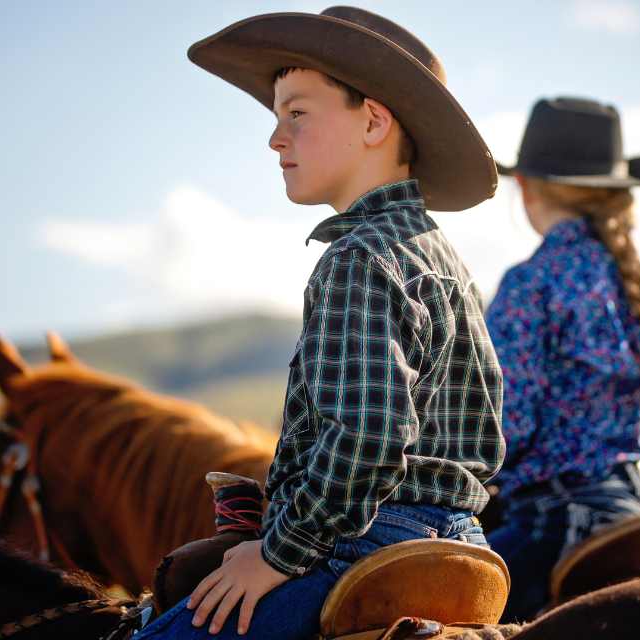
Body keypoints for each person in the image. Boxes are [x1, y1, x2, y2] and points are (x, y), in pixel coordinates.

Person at [132, 7, 505, 639]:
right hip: (461, 537)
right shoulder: (441, 255)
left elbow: (367, 438)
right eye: (276, 118)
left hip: (363, 539)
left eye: (297, 113)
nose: (276, 138)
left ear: (374, 120)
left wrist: (277, 553)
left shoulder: (358, 256)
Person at [484, 97, 640, 622]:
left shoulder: (530, 283)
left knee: (438, 604)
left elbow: (508, 424)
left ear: (525, 188)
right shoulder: (622, 274)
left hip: (560, 515)